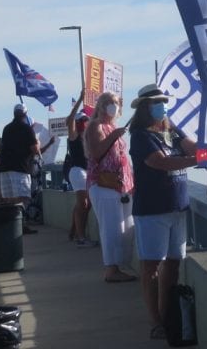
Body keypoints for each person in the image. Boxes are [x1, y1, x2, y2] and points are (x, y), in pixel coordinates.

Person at [128, 84, 197, 340]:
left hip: (177, 207)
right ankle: (156, 320)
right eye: (157, 102)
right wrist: (196, 160)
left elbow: (191, 146)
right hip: (152, 210)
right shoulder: (141, 136)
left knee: (174, 262)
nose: (162, 106)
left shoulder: (172, 132)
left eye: (163, 101)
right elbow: (160, 162)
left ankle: (169, 314)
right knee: (151, 266)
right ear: (146, 107)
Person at [84, 90, 135, 283]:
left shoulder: (113, 126)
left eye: (116, 102)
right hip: (104, 185)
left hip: (121, 186)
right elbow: (96, 153)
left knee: (126, 228)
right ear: (102, 106)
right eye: (110, 102)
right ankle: (111, 270)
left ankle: (119, 266)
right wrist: (113, 136)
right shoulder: (96, 126)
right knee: (111, 229)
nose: (114, 106)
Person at [0, 103, 40, 233]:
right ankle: (20, 226)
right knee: (23, 198)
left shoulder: (6, 128)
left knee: (10, 200)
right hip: (20, 169)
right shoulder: (27, 129)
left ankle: (11, 226)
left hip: (5, 168)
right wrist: (38, 142)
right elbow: (35, 150)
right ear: (25, 114)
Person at [65, 93, 94, 247]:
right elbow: (69, 121)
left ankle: (74, 231)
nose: (84, 122)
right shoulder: (74, 136)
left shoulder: (89, 138)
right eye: (81, 120)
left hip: (88, 172)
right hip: (77, 171)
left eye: (85, 120)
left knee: (86, 204)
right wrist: (81, 99)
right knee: (83, 203)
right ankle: (81, 238)